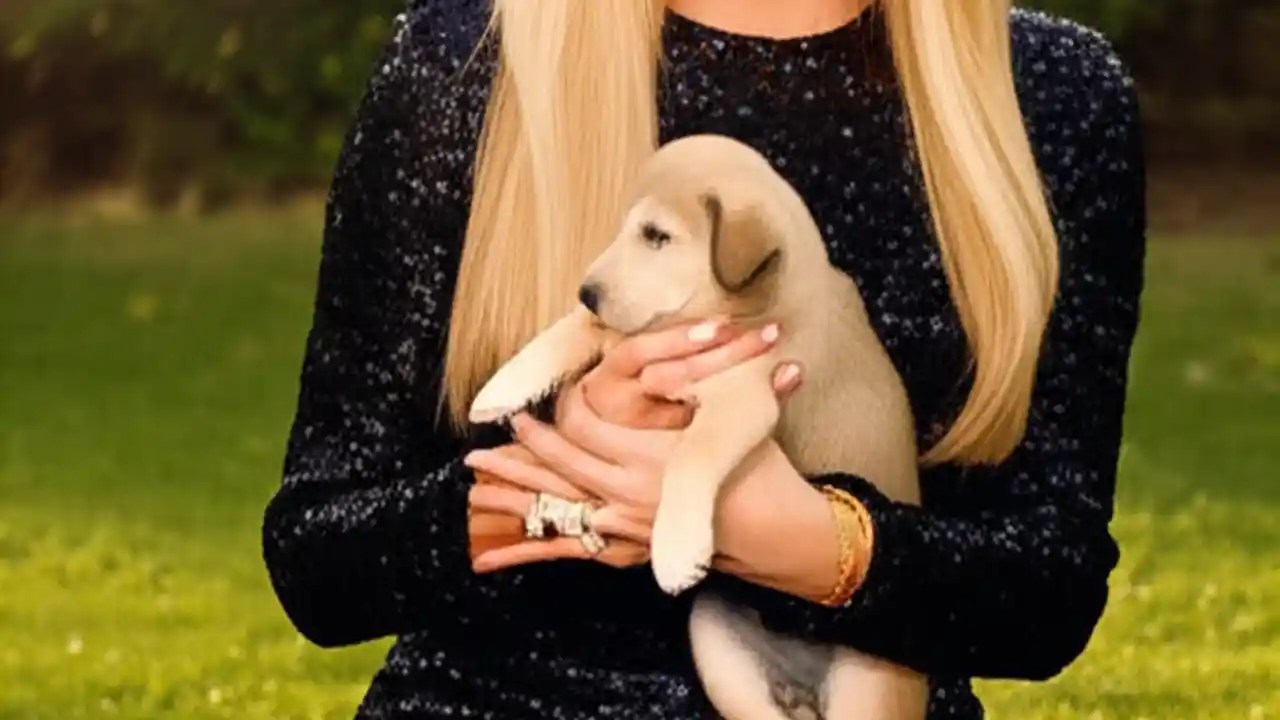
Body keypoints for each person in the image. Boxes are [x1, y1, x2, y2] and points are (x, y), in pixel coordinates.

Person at [261, 0, 1147, 717]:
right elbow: (318, 560)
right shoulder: (461, 63)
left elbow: (1046, 593)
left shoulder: (1051, 95)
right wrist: (559, 492)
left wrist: (808, 540)